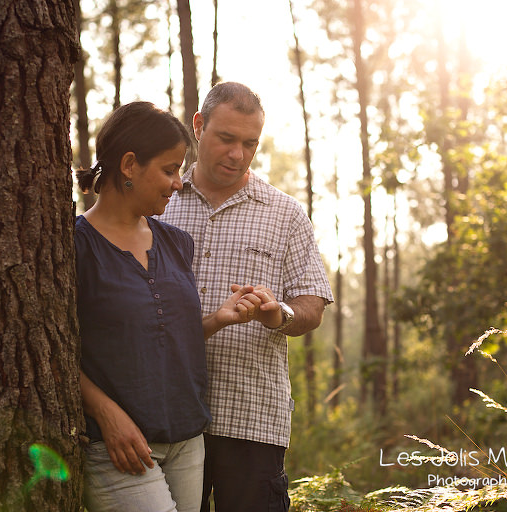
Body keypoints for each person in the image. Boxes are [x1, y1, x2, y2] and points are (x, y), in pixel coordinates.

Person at [75, 101, 264, 512]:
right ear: (129, 165)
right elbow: (54, 353)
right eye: (169, 170)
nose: (178, 183)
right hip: (120, 447)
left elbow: (162, 333)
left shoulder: (176, 243)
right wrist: (106, 414)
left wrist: (217, 319)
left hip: (187, 440)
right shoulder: (75, 246)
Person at [158, 82, 334, 512]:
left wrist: (279, 314)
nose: (237, 154)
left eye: (250, 143)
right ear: (198, 126)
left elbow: (311, 306)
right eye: (226, 138)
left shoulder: (285, 213)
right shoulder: (160, 201)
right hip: (167, 415)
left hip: (251, 418)